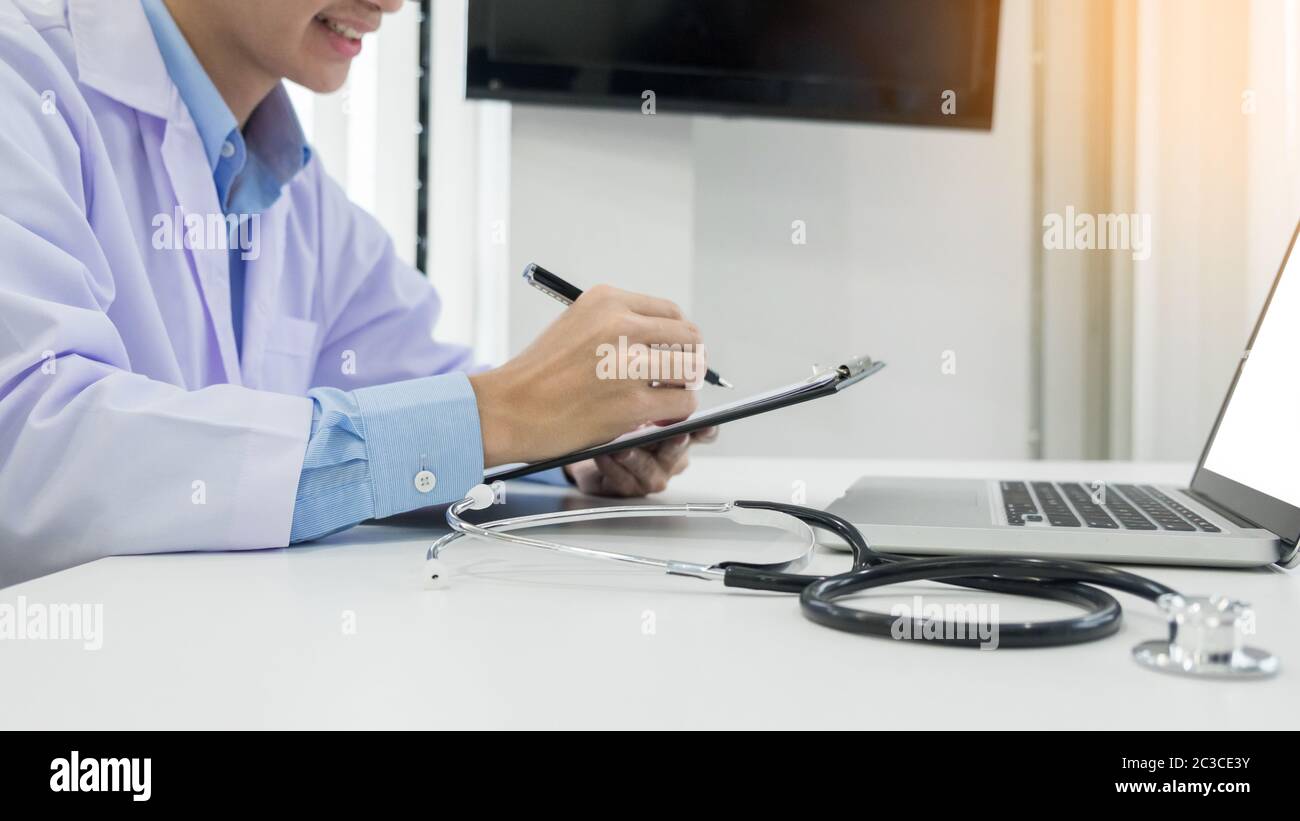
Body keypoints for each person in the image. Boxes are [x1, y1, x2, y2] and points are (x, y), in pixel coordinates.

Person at [0, 0, 716, 585]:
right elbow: (32, 452)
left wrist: (575, 440)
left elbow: (415, 386)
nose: (392, 3)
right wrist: (500, 410)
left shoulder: (299, 196)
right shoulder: (20, 79)